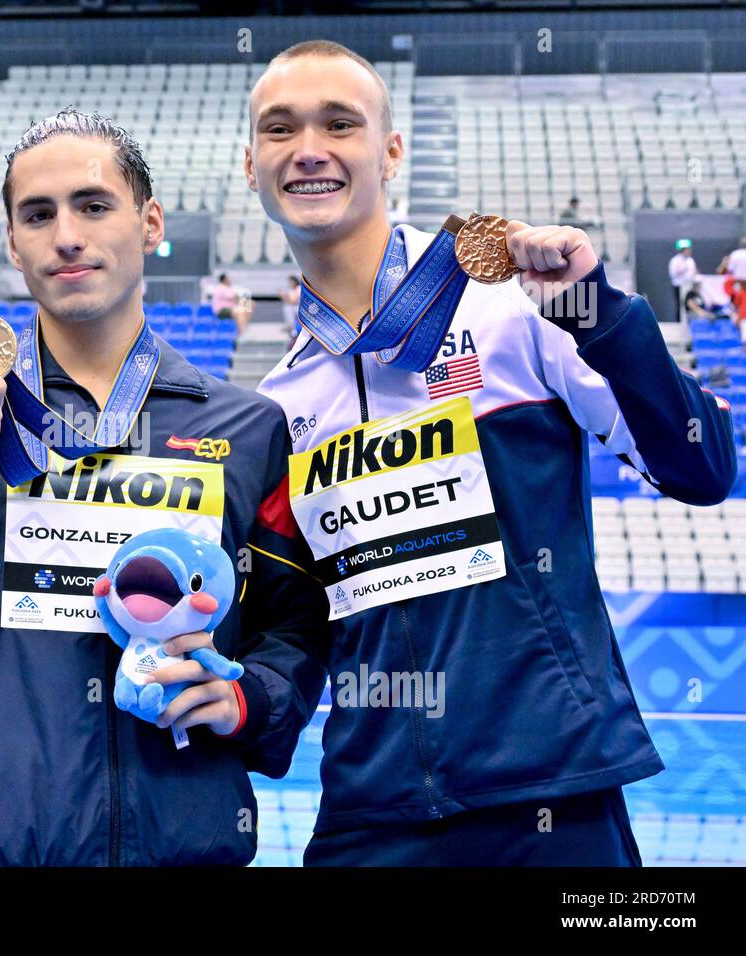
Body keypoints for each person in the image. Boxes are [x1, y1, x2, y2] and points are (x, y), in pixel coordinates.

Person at [244, 40, 737, 866]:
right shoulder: (275, 404)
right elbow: (298, 628)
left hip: (552, 799)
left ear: (391, 150)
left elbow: (701, 467)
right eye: (279, 129)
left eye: (341, 123)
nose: (309, 148)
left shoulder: (517, 306)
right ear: (251, 163)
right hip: (370, 812)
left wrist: (596, 310)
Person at [0, 108, 325, 866]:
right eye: (38, 214)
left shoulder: (247, 429)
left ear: (150, 223)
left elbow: (297, 626)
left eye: (93, 205)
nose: (67, 235)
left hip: (179, 848)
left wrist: (250, 698)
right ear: (13, 241)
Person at [668, 239, 698, 322]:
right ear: (682, 250)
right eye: (687, 249)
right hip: (679, 286)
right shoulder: (675, 260)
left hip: (689, 286)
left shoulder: (690, 260)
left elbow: (694, 272)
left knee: (690, 304)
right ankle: (679, 322)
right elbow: (673, 274)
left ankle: (689, 321)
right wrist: (682, 270)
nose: (689, 251)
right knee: (680, 305)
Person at [280, 274, 301, 342]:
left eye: (290, 282)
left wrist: (285, 296)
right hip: (295, 307)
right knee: (287, 308)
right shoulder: (292, 290)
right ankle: (291, 327)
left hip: (300, 308)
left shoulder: (298, 288)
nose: (289, 284)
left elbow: (293, 301)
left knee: (288, 308)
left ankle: (291, 327)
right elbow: (287, 301)